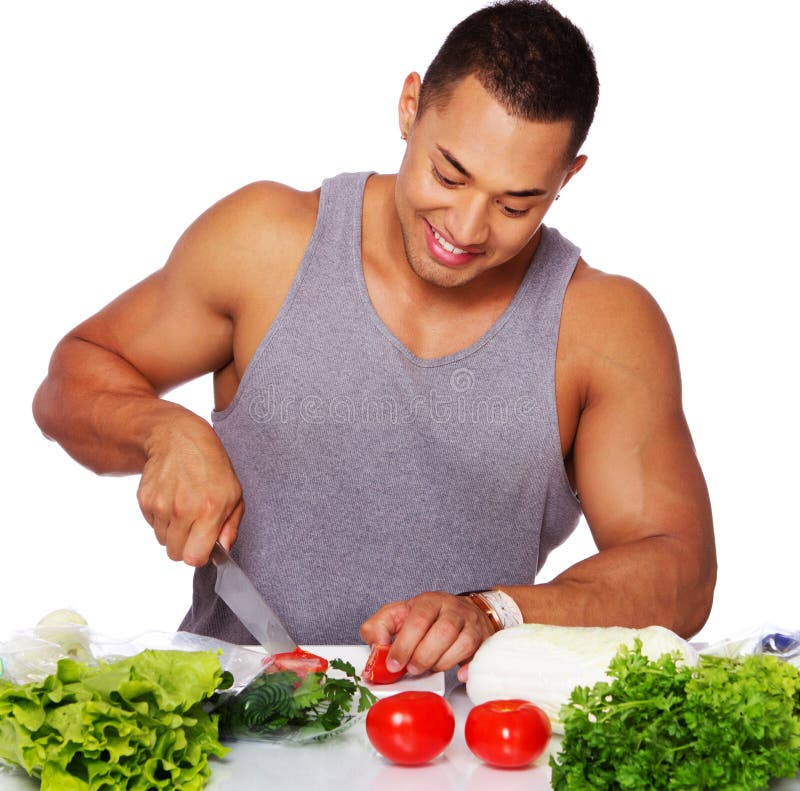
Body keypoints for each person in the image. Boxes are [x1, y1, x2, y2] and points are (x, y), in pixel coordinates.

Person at [32, 0, 715, 681]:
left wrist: (496, 611)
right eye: (449, 174)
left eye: (516, 204)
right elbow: (72, 377)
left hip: (466, 748)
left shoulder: (604, 324)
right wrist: (160, 430)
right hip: (238, 728)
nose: (468, 228)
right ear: (410, 106)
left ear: (567, 179)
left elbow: (681, 568)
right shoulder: (264, 243)